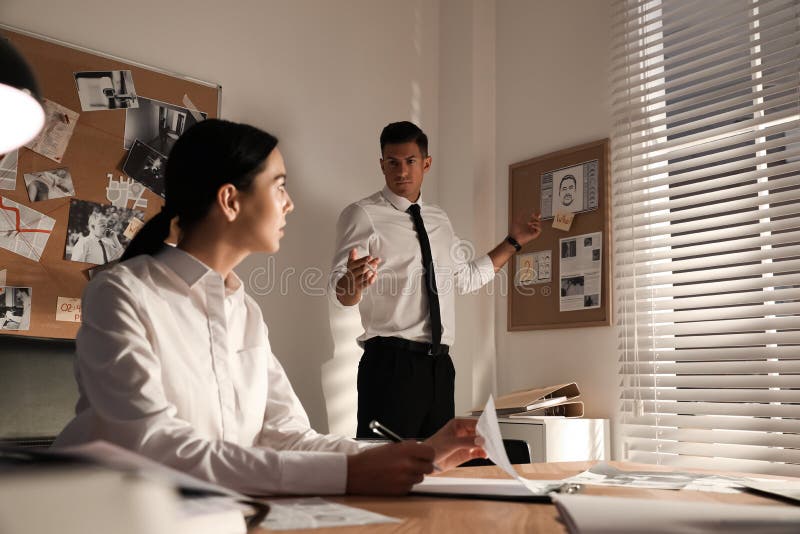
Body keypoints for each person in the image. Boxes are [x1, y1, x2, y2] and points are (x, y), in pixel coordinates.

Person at [53, 119, 485, 496]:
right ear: (230, 200)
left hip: (215, 514)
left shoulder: (245, 313)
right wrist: (350, 473)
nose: (289, 203)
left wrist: (419, 454)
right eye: (279, 186)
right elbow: (155, 446)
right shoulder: (122, 294)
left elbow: (290, 437)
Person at [330, 121, 542, 440]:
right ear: (382, 164)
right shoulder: (362, 214)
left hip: (440, 368)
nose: (401, 171)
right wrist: (353, 284)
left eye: (410, 161)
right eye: (392, 163)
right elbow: (341, 291)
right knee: (386, 464)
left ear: (426, 163)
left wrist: (514, 242)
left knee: (439, 463)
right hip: (390, 365)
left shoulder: (438, 219)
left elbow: (466, 278)